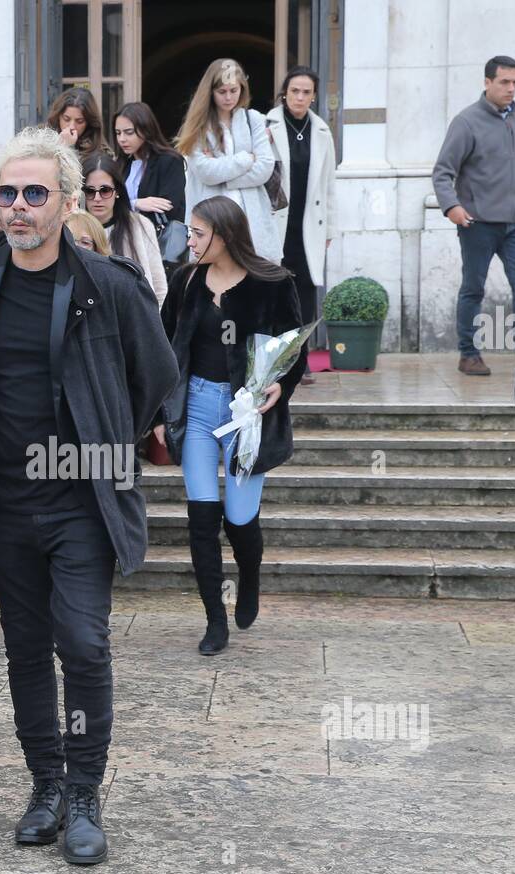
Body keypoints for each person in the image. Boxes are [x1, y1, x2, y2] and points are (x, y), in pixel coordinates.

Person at [0, 126, 177, 865]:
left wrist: (104, 433)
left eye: (33, 194)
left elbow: (155, 380)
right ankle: (45, 786)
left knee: (81, 643)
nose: (17, 207)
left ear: (63, 201)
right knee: (23, 648)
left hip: (80, 499)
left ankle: (85, 792)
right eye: (6, 194)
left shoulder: (106, 286)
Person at [155, 196, 306, 655]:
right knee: (202, 516)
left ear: (224, 235)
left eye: (199, 233)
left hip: (248, 413)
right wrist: (161, 416)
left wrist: (282, 386)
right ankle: (213, 620)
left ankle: (250, 577)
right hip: (198, 407)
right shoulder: (185, 281)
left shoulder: (273, 282)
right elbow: (164, 346)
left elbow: (292, 345)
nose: (191, 240)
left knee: (240, 517)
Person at [433, 55, 515, 377]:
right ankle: (469, 354)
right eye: (504, 82)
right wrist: (453, 208)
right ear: (487, 82)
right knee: (473, 289)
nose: (511, 89)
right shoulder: (466, 122)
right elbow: (442, 172)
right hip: (477, 222)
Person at [265, 67, 336, 383]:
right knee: (275, 291)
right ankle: (273, 361)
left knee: (305, 294)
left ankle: (300, 360)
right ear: (284, 92)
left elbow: (329, 185)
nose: (300, 97)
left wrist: (330, 230)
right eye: (295, 91)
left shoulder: (321, 130)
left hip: (310, 224)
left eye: (306, 92)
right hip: (275, 222)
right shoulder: (267, 125)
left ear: (314, 96)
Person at [177, 58, 282, 263]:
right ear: (210, 92)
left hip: (252, 220)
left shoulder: (254, 120)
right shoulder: (199, 125)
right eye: (222, 91)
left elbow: (265, 168)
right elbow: (206, 172)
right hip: (211, 217)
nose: (228, 97)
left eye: (234, 90)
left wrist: (223, 173)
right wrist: (246, 159)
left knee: (254, 281)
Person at [81, 152, 168, 305]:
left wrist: (152, 325)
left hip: (136, 320)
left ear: (118, 191)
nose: (97, 198)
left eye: (105, 190)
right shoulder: (71, 227)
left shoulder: (140, 225)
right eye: (89, 191)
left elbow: (159, 286)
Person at [112, 102, 186, 226]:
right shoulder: (120, 164)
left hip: (157, 239)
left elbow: (168, 208)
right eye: (118, 133)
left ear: (146, 130)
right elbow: (107, 205)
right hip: (122, 235)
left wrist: (126, 205)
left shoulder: (169, 161)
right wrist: (136, 204)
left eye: (129, 132)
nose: (122, 139)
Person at [45, 87, 112, 161]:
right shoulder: (42, 141)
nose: (71, 127)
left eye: (79, 121)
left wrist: (68, 148)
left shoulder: (101, 153)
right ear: (58, 117)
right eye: (66, 119)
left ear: (89, 122)